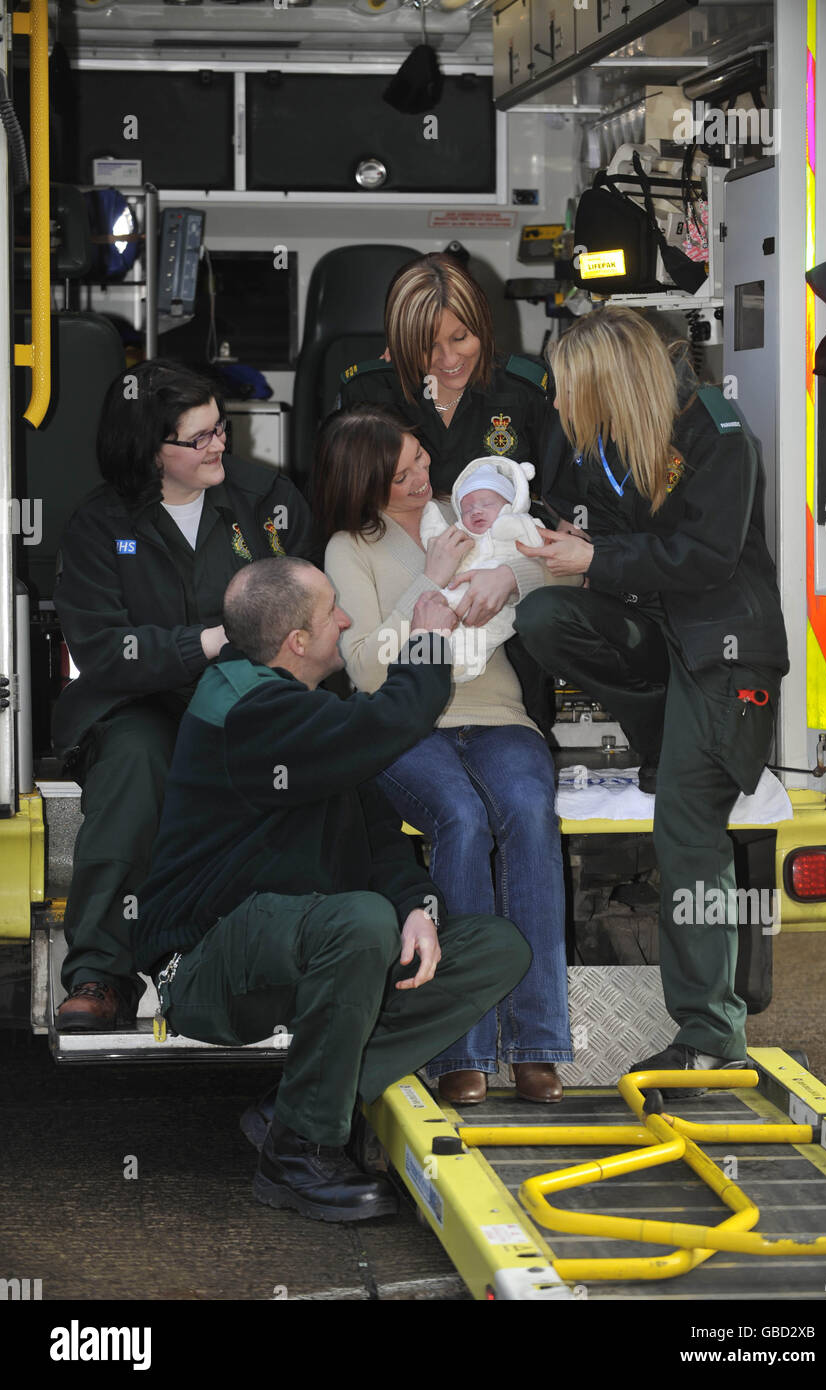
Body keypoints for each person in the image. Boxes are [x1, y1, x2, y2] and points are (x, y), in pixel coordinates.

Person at [133, 556, 531, 1221]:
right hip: (206, 965)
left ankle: (297, 1106)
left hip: (304, 950)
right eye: (331, 613)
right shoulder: (244, 705)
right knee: (360, 921)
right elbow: (380, 726)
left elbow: (378, 839)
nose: (345, 621)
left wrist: (416, 911)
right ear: (296, 641)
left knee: (495, 947)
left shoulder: (310, 712)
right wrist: (426, 646)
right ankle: (299, 1155)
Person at [514, 306, 789, 1089]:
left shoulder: (714, 428)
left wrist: (593, 555)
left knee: (685, 830)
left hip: (722, 653)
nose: (560, 402)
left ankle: (710, 1035)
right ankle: (663, 742)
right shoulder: (594, 439)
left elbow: (702, 559)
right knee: (544, 616)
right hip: (660, 643)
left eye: (571, 386)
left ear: (610, 378)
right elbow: (589, 545)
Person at [318, 405, 574, 1106]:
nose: (421, 477)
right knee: (459, 818)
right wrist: (427, 582)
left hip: (497, 715)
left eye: (422, 461)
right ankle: (458, 1045)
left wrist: (515, 578)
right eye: (401, 475)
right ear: (363, 481)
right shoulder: (349, 548)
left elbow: (564, 569)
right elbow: (369, 671)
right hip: (404, 724)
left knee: (527, 812)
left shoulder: (471, 509)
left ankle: (535, 1044)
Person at [53, 360, 317, 1031]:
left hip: (245, 696)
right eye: (198, 439)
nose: (219, 445)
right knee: (136, 763)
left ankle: (276, 965)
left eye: (219, 429)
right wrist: (209, 640)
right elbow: (104, 652)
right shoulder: (98, 525)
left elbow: (306, 610)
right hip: (135, 704)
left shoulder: (266, 502)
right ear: (151, 451)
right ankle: (99, 971)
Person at [337, 251, 555, 498]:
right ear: (400, 343)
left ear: (483, 326)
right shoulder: (367, 393)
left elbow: (558, 499)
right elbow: (343, 503)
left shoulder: (526, 388)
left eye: (460, 338)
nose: (450, 359)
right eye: (427, 346)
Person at [420, 456, 547, 680]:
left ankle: (464, 664)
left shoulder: (522, 526)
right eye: (467, 508)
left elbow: (544, 553)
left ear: (511, 504)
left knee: (485, 631)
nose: (476, 511)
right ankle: (439, 661)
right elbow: (436, 541)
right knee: (445, 625)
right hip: (455, 596)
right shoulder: (461, 533)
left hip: (499, 606)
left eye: (487, 504)